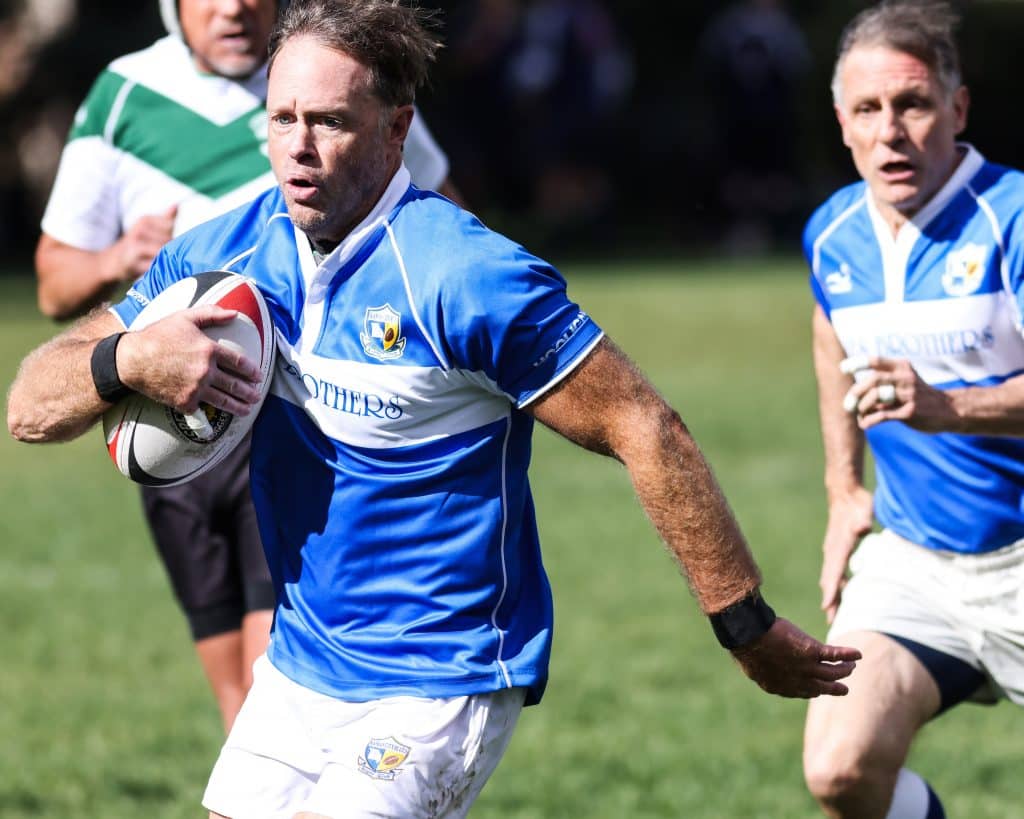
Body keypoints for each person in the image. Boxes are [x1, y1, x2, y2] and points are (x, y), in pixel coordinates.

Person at [8, 1, 860, 815]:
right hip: (302, 667)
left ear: (396, 130)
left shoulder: (467, 276)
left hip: (440, 676)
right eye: (280, 119)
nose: (298, 149)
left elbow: (646, 425)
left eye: (330, 122)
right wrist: (129, 357)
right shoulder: (226, 255)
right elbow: (29, 405)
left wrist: (744, 625)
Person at [32, 0, 461, 733]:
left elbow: (442, 217)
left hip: (295, 419)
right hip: (171, 428)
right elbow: (53, 282)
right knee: (240, 709)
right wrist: (119, 260)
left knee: (278, 692)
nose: (234, 7)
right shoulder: (125, 95)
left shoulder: (332, 81)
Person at [801, 2, 1024, 817]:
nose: (891, 129)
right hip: (917, 563)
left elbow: (939, 405)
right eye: (869, 109)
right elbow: (830, 336)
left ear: (957, 110)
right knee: (840, 767)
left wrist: (950, 406)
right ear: (843, 122)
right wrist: (842, 491)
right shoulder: (832, 235)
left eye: (913, 103)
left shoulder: (1013, 218)